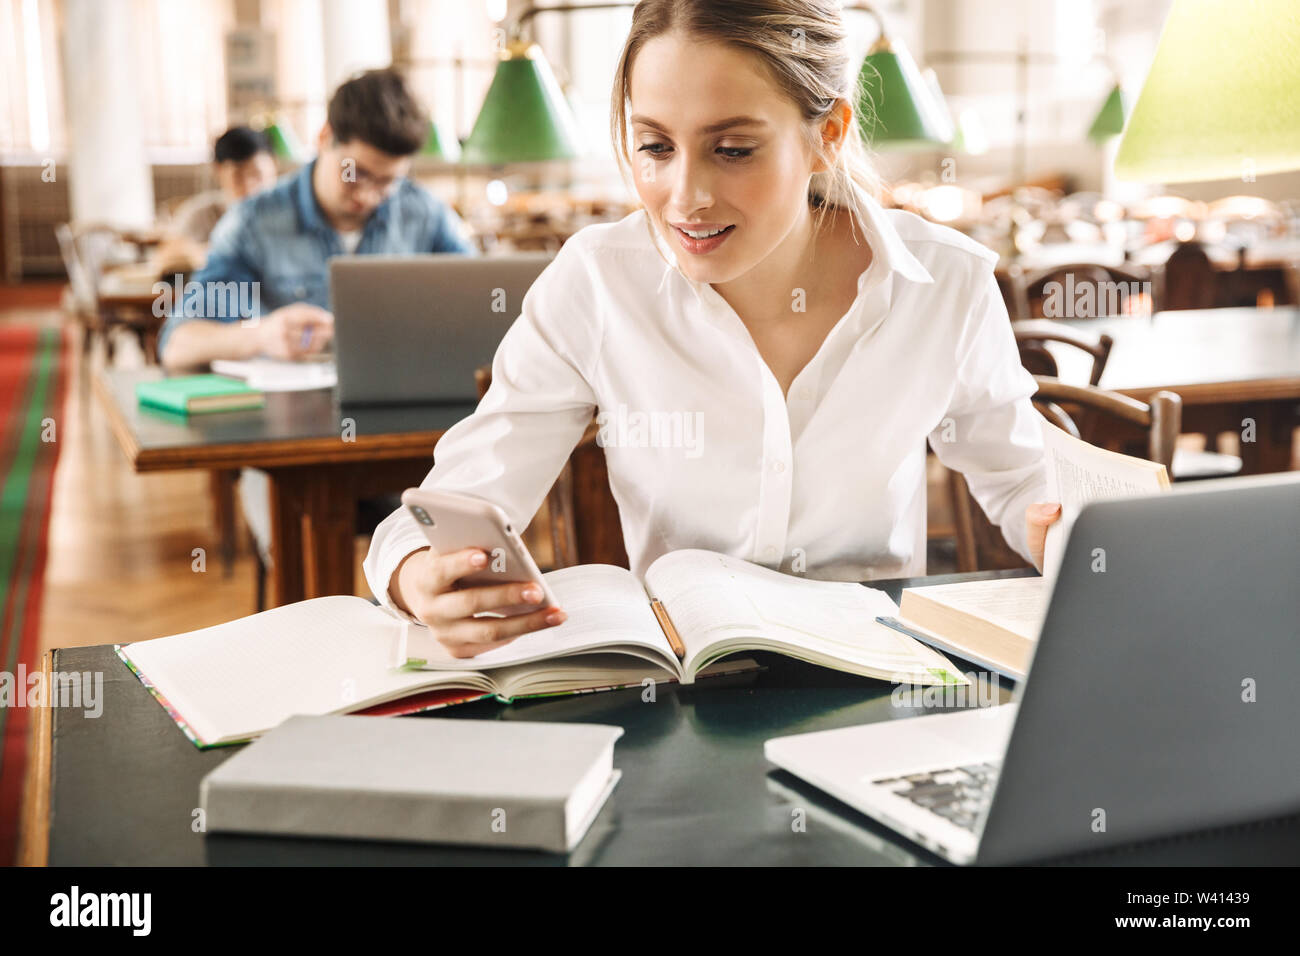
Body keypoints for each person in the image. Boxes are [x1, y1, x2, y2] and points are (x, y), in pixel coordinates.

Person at [364, 0, 1062, 659]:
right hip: (681, 696)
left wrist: (1064, 531)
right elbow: (450, 508)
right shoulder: (597, 283)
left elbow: (1024, 480)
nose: (685, 197)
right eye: (655, 147)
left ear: (829, 135)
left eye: (732, 149)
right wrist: (419, 573)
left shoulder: (945, 285)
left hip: (875, 684)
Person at [159, 67, 475, 370]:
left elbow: (483, 304)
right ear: (325, 137)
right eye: (356, 174)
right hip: (296, 418)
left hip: (408, 404)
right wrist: (261, 335)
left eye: (386, 182)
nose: (367, 195)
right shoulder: (254, 222)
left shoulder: (425, 214)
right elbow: (178, 345)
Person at [168, 126, 278, 245]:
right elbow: (172, 255)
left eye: (257, 175)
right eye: (237, 177)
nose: (248, 186)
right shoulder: (201, 217)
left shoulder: (292, 214)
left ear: (275, 166)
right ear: (218, 171)